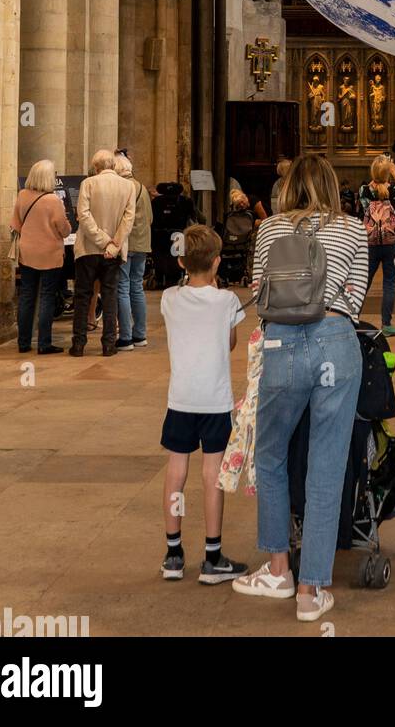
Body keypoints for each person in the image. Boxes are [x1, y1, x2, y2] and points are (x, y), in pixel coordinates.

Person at [233, 155, 367, 621]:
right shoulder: (353, 228)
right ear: (331, 185)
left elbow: (259, 293)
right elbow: (355, 296)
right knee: (326, 466)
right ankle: (311, 592)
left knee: (271, 455)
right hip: (336, 340)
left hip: (282, 341)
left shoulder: (269, 229)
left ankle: (278, 571)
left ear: (288, 187)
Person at [159, 224, 247, 583]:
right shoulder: (227, 301)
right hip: (215, 401)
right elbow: (230, 343)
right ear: (217, 262)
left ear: (181, 262)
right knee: (212, 475)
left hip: (181, 399)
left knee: (176, 471)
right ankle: (213, 557)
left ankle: (173, 554)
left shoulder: (169, 298)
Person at [72, 149, 136, 358]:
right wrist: (112, 245)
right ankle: (109, 345)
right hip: (112, 252)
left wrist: (101, 240)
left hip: (88, 249)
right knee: (110, 296)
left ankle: (78, 344)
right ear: (113, 165)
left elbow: (83, 216)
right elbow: (128, 220)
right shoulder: (128, 186)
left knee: (83, 296)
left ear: (95, 166)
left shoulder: (88, 183)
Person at [11, 160, 71, 355]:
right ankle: (44, 343)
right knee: (47, 296)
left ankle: (23, 342)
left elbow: (15, 224)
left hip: (27, 252)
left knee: (27, 296)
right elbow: (64, 230)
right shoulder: (53, 200)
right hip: (49, 254)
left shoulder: (22, 195)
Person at [359, 155, 395, 336]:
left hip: (370, 243)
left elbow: (363, 208)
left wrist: (377, 177)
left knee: (364, 282)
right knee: (389, 284)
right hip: (391, 243)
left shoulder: (364, 190)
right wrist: (394, 172)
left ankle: (352, 318)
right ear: (389, 172)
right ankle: (386, 325)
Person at [114, 153, 152, 351]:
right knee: (137, 287)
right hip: (142, 244)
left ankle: (126, 337)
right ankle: (140, 334)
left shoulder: (122, 187)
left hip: (126, 244)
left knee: (122, 287)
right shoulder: (142, 187)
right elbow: (150, 218)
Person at [151, 182, 200, 288]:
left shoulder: (156, 202)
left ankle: (160, 279)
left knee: (161, 257)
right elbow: (196, 218)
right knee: (177, 257)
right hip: (179, 235)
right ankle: (177, 278)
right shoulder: (186, 201)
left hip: (159, 237)